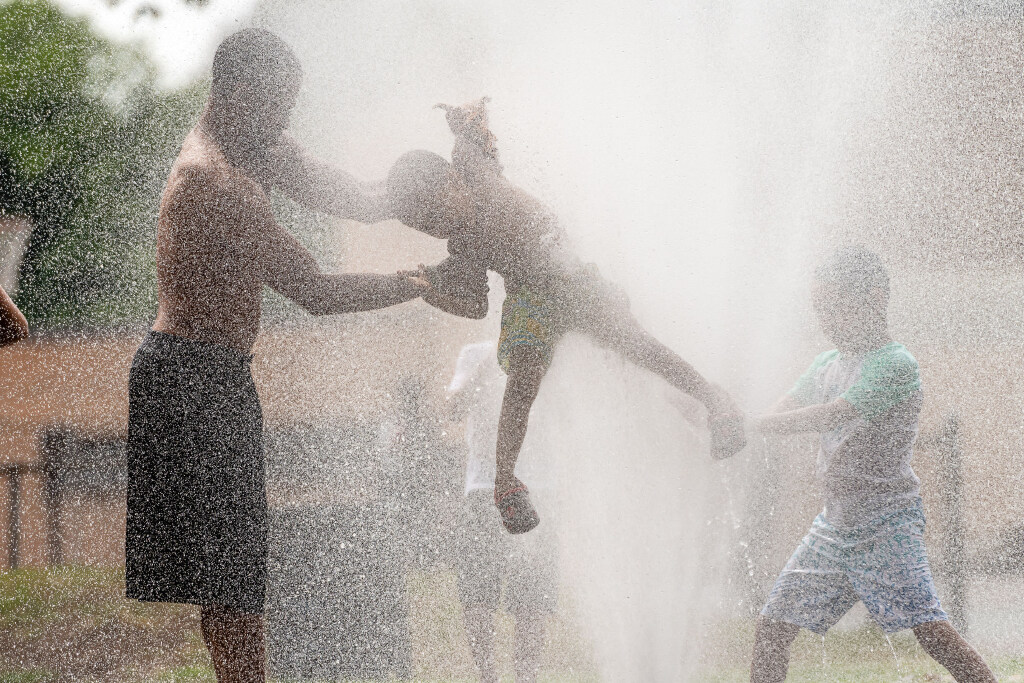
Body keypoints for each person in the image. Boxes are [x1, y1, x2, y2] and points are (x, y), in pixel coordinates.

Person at [124, 28, 427, 683]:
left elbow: (357, 198)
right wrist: (420, 285)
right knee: (234, 592)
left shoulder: (255, 142)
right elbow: (315, 290)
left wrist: (438, 197)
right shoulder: (217, 181)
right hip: (187, 380)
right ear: (235, 93)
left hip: (214, 375)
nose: (287, 119)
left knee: (229, 586)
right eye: (278, 103)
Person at [386, 98, 746, 534]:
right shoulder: (462, 244)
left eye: (434, 212)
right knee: (522, 379)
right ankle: (505, 482)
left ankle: (712, 400)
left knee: (638, 347)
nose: (437, 226)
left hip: (571, 277)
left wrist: (464, 122)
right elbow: (476, 304)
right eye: (425, 227)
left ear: (451, 179)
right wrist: (432, 292)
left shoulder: (474, 172)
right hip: (529, 297)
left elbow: (475, 141)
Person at [749, 246, 996, 683]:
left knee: (931, 631)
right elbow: (790, 404)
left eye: (835, 309)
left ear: (875, 299)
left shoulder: (895, 365)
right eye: (819, 310)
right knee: (772, 628)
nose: (826, 321)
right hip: (833, 526)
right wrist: (747, 425)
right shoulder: (827, 363)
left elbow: (834, 414)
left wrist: (758, 426)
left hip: (888, 524)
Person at [447, 341, 558, 683]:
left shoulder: (551, 348)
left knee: (532, 597)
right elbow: (452, 408)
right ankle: (488, 678)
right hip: (484, 489)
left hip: (539, 489)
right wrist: (493, 361)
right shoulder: (475, 354)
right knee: (478, 593)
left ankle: (526, 679)